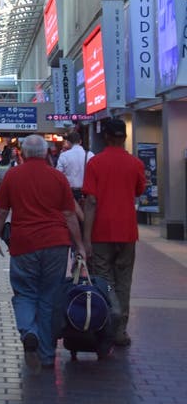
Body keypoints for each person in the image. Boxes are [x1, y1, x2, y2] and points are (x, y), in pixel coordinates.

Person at [0, 134, 86, 371]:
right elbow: (70, 215)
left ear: (24, 153)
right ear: (46, 152)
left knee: (25, 293)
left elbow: (1, 211)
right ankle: (48, 355)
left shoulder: (13, 176)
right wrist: (78, 244)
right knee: (49, 297)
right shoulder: (58, 177)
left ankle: (29, 331)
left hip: (24, 243)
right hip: (56, 244)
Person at [82, 117, 146, 348]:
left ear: (106, 137)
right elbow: (139, 190)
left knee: (104, 278)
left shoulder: (95, 163)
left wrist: (86, 238)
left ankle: (112, 315)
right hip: (128, 231)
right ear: (125, 138)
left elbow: (90, 201)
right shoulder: (136, 164)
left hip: (101, 231)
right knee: (124, 280)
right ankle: (121, 331)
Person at [56, 128, 94, 202]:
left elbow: (58, 174)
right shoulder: (90, 154)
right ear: (80, 141)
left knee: (72, 212)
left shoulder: (64, 155)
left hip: (70, 193)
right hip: (87, 193)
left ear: (68, 142)